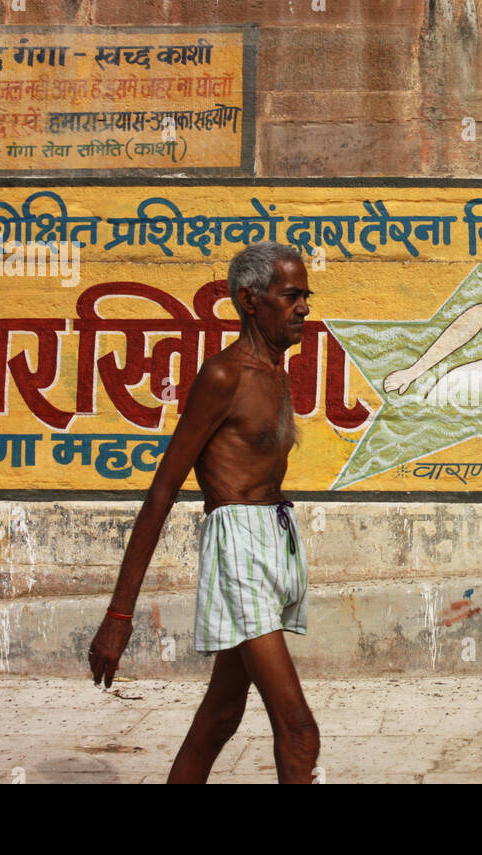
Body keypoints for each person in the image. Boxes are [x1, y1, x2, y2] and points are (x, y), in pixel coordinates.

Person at [87, 242, 318, 784]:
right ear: (250, 300)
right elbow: (163, 490)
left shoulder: (276, 373)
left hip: (275, 540)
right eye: (291, 296)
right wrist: (119, 616)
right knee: (299, 729)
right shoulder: (224, 377)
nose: (304, 307)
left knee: (220, 715)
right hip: (239, 546)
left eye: (305, 295)